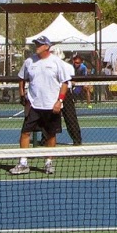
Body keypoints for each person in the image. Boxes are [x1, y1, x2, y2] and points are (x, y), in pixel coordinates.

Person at [11, 35, 72, 174]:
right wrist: (22, 95)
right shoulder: (29, 62)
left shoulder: (57, 62)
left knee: (51, 135)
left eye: (39, 44)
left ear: (47, 47)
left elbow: (65, 83)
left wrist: (59, 101)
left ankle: (48, 163)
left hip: (52, 106)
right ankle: (23, 163)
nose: (36, 46)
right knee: (25, 133)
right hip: (33, 106)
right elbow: (21, 78)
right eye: (36, 44)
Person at [61, 53, 86, 145]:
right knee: (50, 118)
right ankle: (46, 138)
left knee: (70, 118)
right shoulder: (68, 66)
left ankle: (77, 139)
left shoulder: (69, 67)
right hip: (55, 93)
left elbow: (71, 81)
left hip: (66, 93)